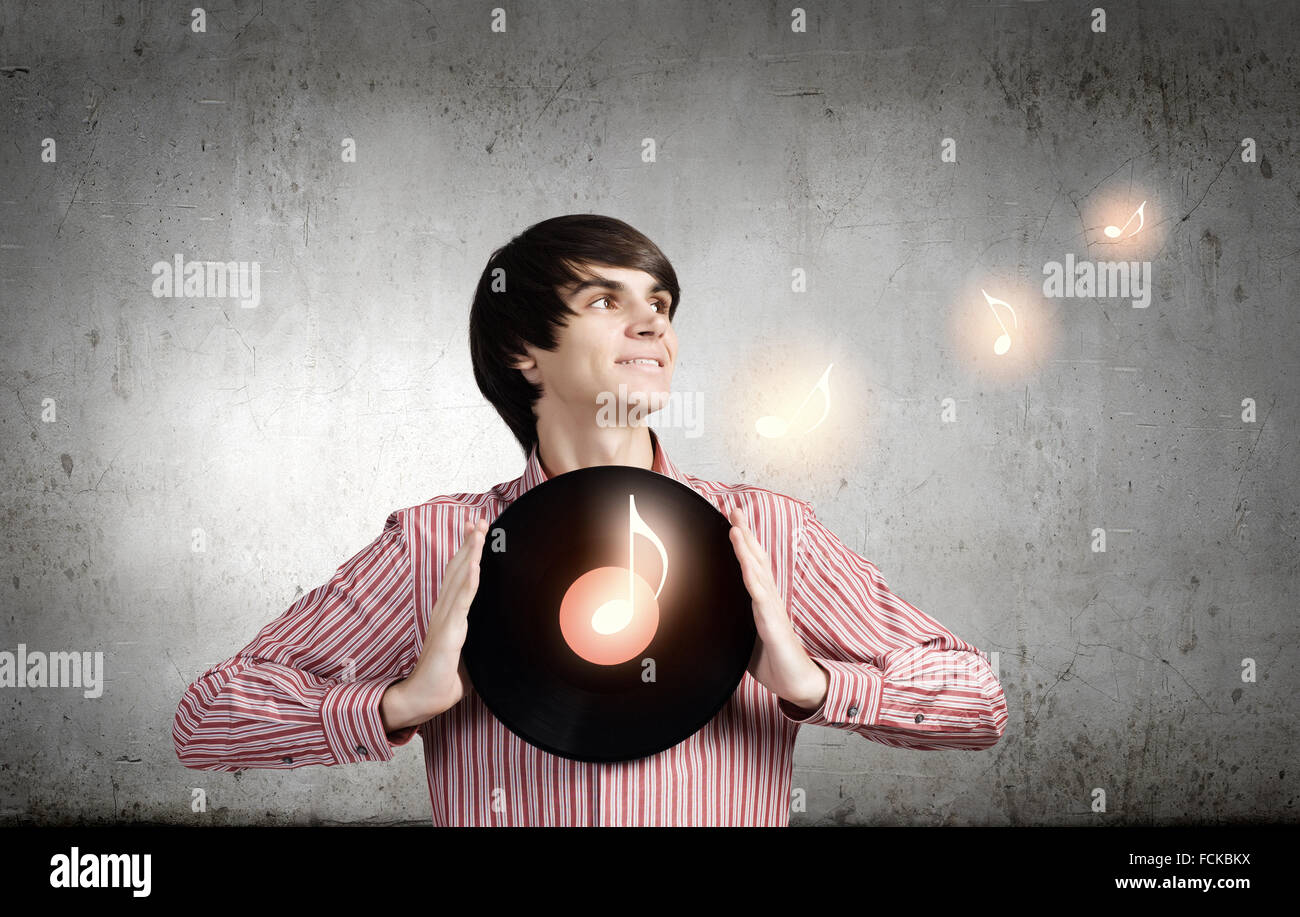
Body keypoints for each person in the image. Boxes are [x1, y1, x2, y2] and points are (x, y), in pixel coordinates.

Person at [172, 214, 1008, 826]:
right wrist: (397, 702)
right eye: (607, 300)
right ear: (521, 351)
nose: (655, 324)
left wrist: (818, 686)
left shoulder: (767, 533)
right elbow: (207, 716)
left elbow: (979, 700)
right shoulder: (437, 545)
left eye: (663, 304)